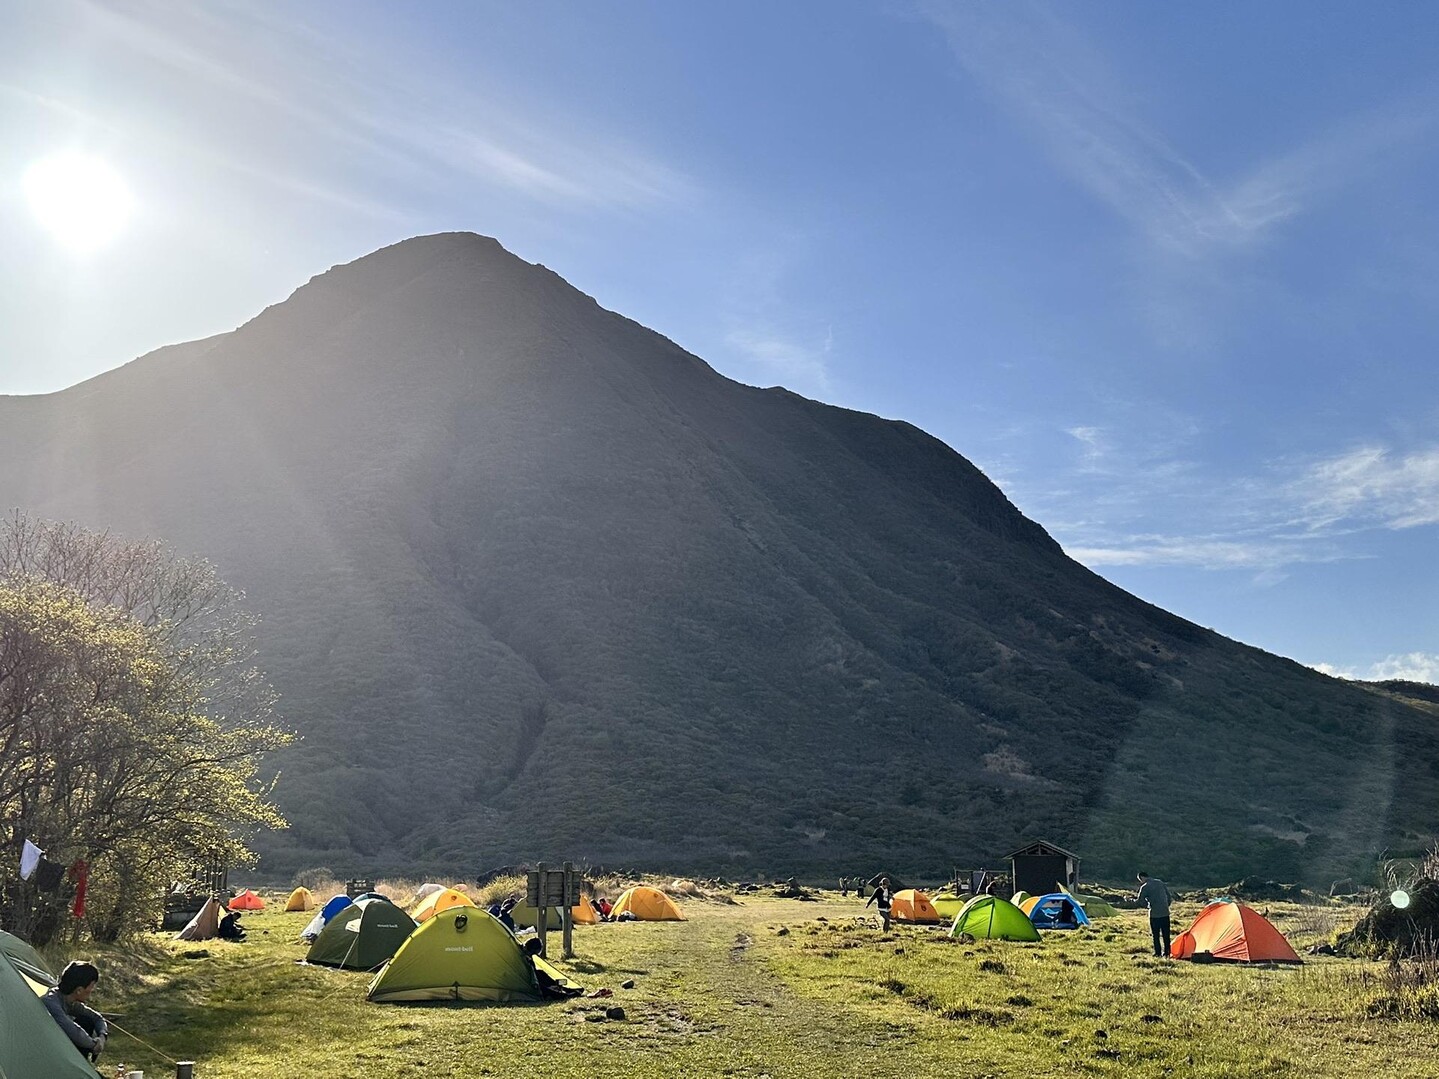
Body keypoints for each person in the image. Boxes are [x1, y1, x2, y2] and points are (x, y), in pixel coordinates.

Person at [43, 961, 108, 1063]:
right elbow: (73, 1030)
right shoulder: (51, 1002)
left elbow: (98, 1018)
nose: (93, 990)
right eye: (91, 986)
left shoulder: (70, 1001)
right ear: (79, 990)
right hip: (46, 1052)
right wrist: (93, 1045)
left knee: (87, 1020)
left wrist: (102, 1037)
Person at [1136, 872, 1172, 957]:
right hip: (1165, 912)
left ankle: (1158, 953)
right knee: (1166, 934)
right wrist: (1166, 905)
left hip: (1154, 914)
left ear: (1142, 878)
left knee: (1155, 935)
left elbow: (1140, 900)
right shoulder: (1160, 882)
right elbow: (1169, 896)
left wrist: (1147, 906)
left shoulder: (1145, 887)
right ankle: (1167, 952)